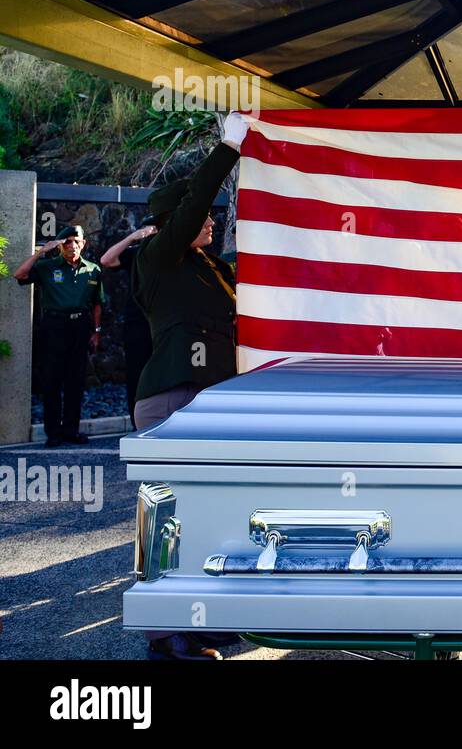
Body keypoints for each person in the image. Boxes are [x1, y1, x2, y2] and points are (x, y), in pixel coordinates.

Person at [132, 111, 247, 660]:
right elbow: (196, 201)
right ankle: (165, 634)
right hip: (174, 396)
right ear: (173, 219)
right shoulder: (158, 257)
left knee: (206, 517)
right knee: (166, 515)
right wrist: (228, 148)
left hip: (213, 402)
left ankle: (197, 620)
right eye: (197, 215)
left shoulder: (210, 268)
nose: (209, 221)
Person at [13, 225, 104, 447]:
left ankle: (71, 430)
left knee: (75, 381)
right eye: (67, 242)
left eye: (76, 241)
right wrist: (42, 251)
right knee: (52, 381)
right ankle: (53, 433)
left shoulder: (93, 270)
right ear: (60, 246)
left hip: (80, 327)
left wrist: (96, 332)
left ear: (84, 244)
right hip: (54, 326)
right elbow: (20, 274)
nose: (72, 245)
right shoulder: (47, 266)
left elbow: (97, 304)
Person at [101, 224, 158, 430]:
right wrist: (132, 237)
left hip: (166, 323)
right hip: (138, 323)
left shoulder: (175, 255)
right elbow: (106, 260)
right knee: (136, 374)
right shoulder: (135, 254)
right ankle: (138, 425)